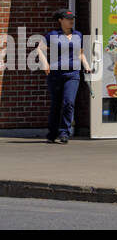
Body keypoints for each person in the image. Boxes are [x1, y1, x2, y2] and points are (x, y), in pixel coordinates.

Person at [36, 9, 91, 143]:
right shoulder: (53, 35)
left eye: (72, 18)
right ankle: (52, 133)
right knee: (56, 104)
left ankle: (64, 132)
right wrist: (45, 63)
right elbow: (39, 49)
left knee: (69, 103)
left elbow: (80, 53)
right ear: (60, 20)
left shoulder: (78, 35)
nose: (71, 21)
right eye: (68, 19)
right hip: (55, 74)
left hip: (73, 74)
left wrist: (86, 65)